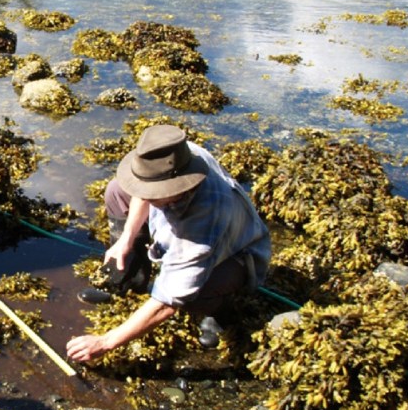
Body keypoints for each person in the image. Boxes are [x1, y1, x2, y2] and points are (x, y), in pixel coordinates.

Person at [67, 124, 271, 362]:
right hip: (187, 229)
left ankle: (219, 311)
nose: (146, 197)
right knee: (116, 191)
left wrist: (106, 341)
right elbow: (142, 191)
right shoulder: (179, 156)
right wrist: (126, 238)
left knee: (192, 292)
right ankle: (133, 277)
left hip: (233, 256)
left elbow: (169, 302)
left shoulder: (199, 228)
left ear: (183, 186)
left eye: (156, 193)